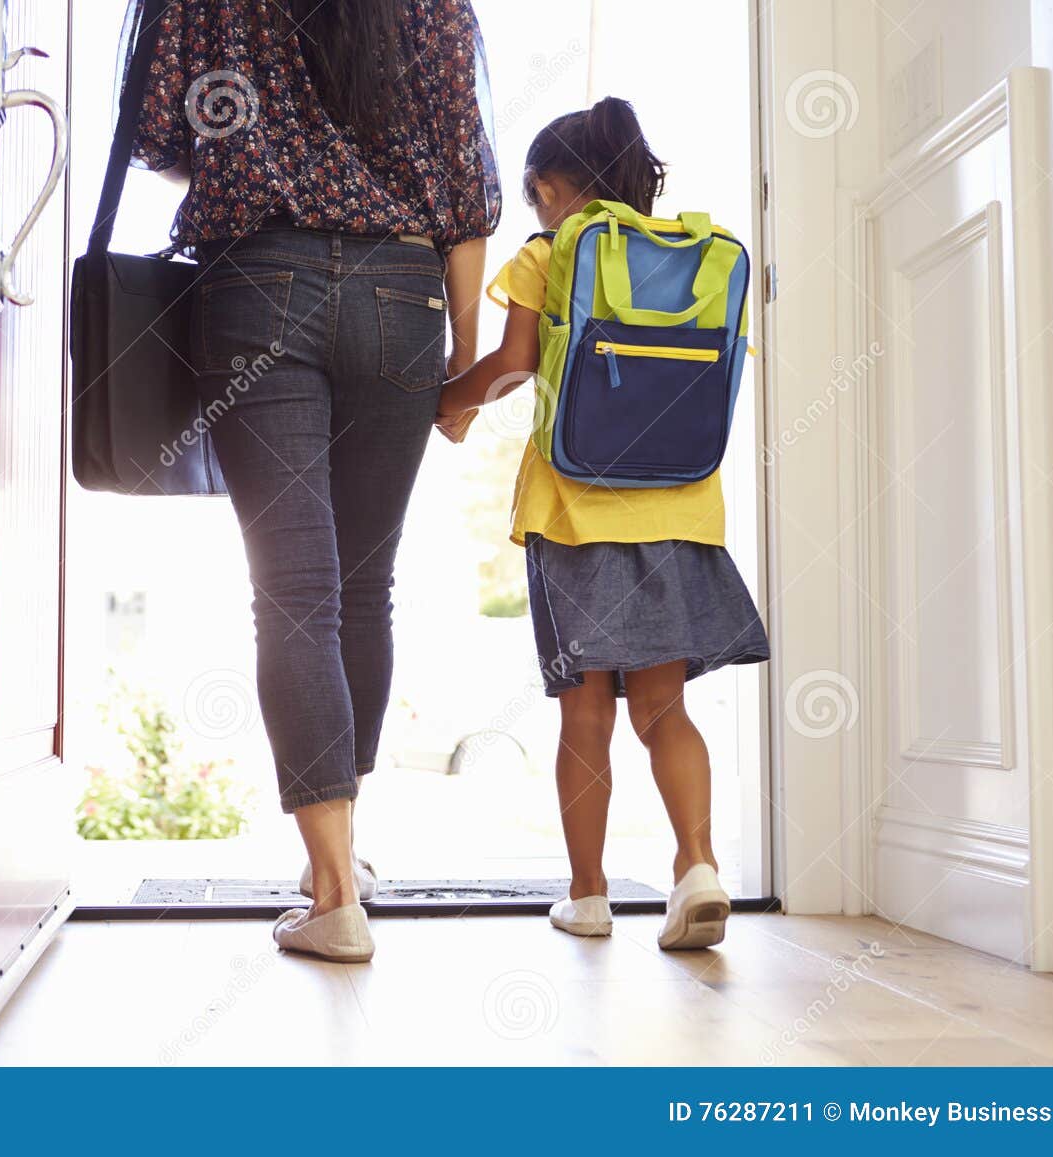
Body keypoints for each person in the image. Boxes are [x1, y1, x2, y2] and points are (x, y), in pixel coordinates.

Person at [128, 0, 500, 960]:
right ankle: (341, 860)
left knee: (295, 593)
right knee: (364, 584)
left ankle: (333, 890)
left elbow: (161, 133)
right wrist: (461, 356)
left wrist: (255, 157)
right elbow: (463, 187)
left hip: (259, 280)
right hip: (404, 294)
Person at [435, 97, 769, 950]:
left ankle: (587, 896)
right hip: (682, 506)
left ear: (549, 186)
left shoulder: (550, 252)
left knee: (585, 717)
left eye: (536, 195)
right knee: (664, 709)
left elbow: (512, 367)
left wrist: (451, 406)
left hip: (575, 511)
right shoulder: (695, 256)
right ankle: (697, 865)